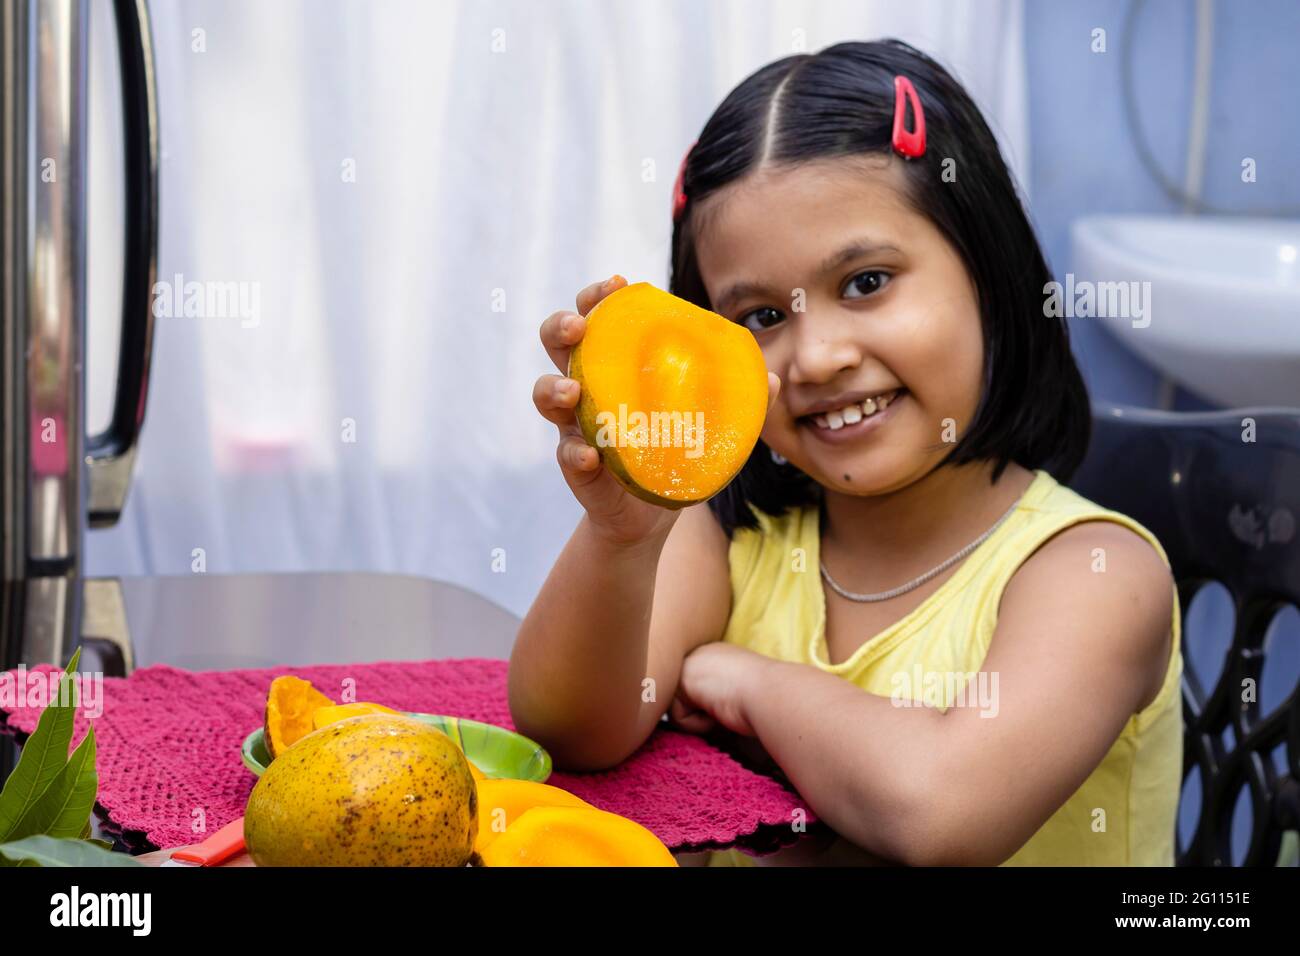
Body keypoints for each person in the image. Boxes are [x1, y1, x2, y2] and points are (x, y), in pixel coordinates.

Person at [513, 39, 1181, 866]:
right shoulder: (731, 540)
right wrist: (620, 541)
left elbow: (942, 814)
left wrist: (751, 683)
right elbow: (571, 731)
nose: (818, 356)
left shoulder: (1095, 576)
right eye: (760, 318)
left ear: (988, 273)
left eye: (865, 283)